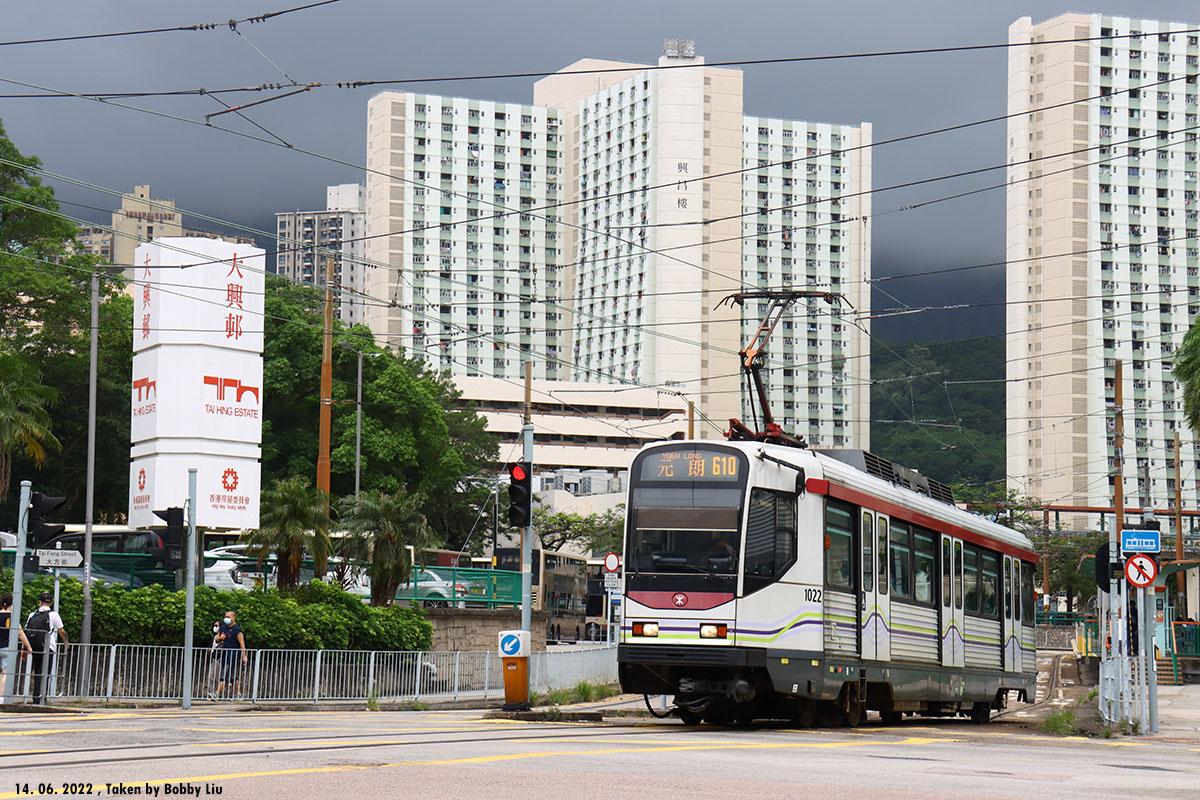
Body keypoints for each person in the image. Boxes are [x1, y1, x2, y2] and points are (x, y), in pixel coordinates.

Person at [24, 592, 69, 705]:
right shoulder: (53, 614)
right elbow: (61, 630)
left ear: (40, 602)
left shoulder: (32, 614)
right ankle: (41, 698)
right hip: (48, 647)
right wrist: (66, 642)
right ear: (51, 602)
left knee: (37, 672)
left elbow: (26, 632)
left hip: (35, 646)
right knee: (45, 673)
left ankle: (36, 697)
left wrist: (24, 648)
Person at [212, 610, 247, 701]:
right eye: (225, 617)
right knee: (232, 675)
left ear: (233, 618)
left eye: (228, 617)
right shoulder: (223, 628)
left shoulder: (237, 629)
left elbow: (242, 644)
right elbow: (217, 639)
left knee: (224, 674)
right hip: (225, 654)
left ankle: (217, 693)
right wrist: (220, 638)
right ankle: (238, 694)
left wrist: (244, 656)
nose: (226, 618)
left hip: (233, 655)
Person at [0, 593, 33, 687]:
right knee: (6, 673)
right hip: (7, 647)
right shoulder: (11, 617)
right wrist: (28, 646)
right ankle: (2, 694)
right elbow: (20, 633)